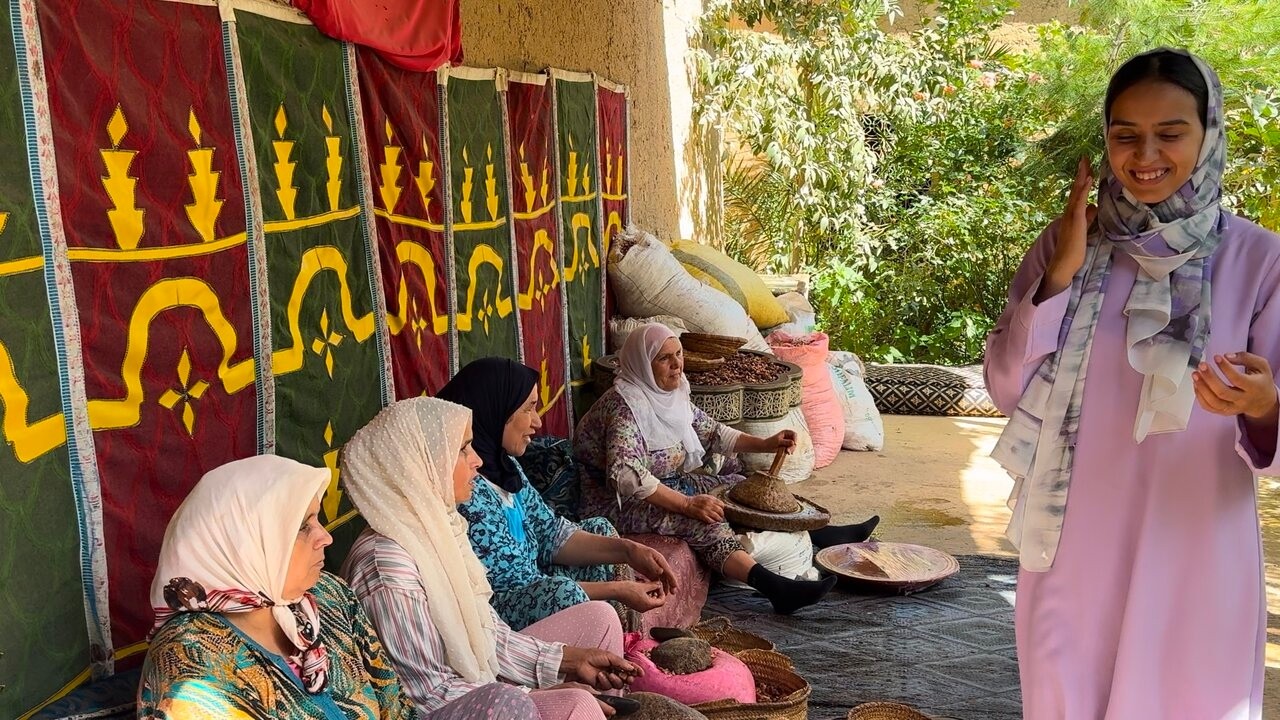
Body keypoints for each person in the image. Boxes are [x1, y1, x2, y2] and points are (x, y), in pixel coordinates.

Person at [985, 48, 1278, 719]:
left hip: (1195, 539)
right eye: (1125, 134)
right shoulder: (1069, 241)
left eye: (1170, 133)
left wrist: (1263, 406)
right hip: (1071, 541)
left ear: (1208, 134)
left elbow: (1274, 418)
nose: (1145, 154)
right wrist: (1060, 278)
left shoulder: (1258, 261)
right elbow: (1006, 387)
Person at [340, 396, 641, 720]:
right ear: (422, 463)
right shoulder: (387, 568)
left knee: (599, 618)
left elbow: (486, 634)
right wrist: (533, 693)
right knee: (574, 704)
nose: (477, 461)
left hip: (471, 682)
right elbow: (425, 696)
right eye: (463, 449)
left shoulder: (438, 531)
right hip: (438, 707)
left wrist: (568, 661)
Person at [576, 323, 879, 614]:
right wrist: (687, 504)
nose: (676, 364)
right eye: (664, 358)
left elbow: (713, 433)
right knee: (701, 520)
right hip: (612, 502)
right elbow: (627, 476)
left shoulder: (672, 394)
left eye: (678, 354)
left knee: (737, 486)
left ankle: (822, 533)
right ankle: (776, 589)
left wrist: (767, 443)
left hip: (665, 483)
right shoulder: (623, 406)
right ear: (641, 363)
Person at [137, 455, 441, 719]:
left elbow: (395, 706)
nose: (325, 537)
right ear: (245, 545)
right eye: (302, 525)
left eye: (317, 519)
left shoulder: (330, 596)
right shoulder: (190, 658)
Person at [437, 358, 678, 631]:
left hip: (531, 583)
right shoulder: (467, 488)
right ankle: (601, 646)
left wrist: (629, 550)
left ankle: (611, 637)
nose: (537, 422)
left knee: (600, 528)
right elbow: (520, 582)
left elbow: (550, 532)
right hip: (496, 611)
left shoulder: (504, 466)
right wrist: (619, 589)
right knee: (565, 593)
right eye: (528, 408)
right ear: (495, 409)